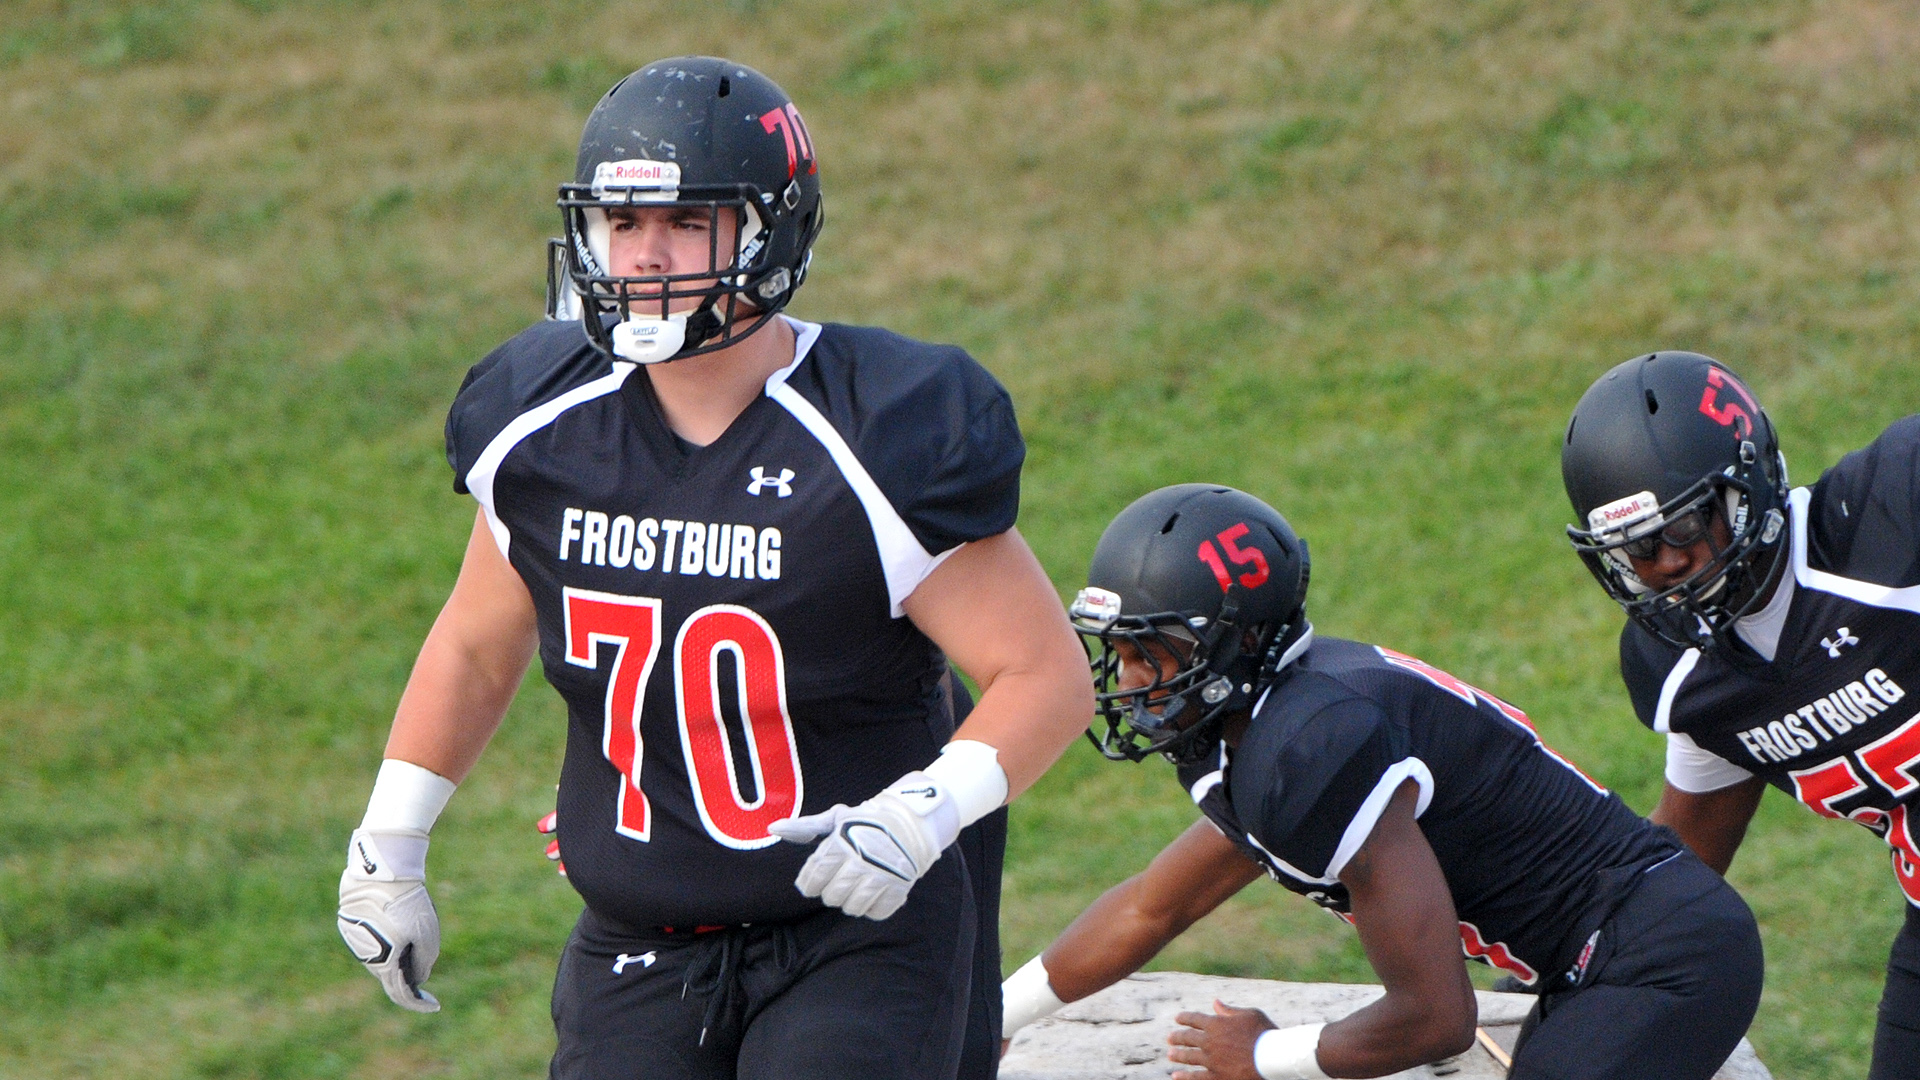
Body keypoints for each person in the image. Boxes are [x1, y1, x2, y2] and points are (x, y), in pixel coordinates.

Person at [332, 56, 1092, 1080]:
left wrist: (922, 816)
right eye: (622, 222)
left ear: (770, 232)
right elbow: (475, 643)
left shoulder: (876, 430)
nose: (645, 256)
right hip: (640, 926)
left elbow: (1045, 673)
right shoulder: (540, 423)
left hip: (853, 920)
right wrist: (391, 840)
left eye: (687, 223)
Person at [1000, 483, 1762, 1080]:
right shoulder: (1250, 727)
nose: (1129, 681)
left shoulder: (1310, 743)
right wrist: (994, 1016)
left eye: (1152, 652)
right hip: (1596, 953)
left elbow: (1434, 1017)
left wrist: (1264, 1056)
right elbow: (1151, 906)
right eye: (1122, 652)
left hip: (1665, 959)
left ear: (1241, 640)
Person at [1560, 350, 1920, 1080]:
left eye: (1683, 527)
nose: (1662, 564)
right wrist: (1574, 961)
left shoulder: (1895, 510)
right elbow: (1688, 848)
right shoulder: (1683, 672)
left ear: (1748, 486)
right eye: (1634, 549)